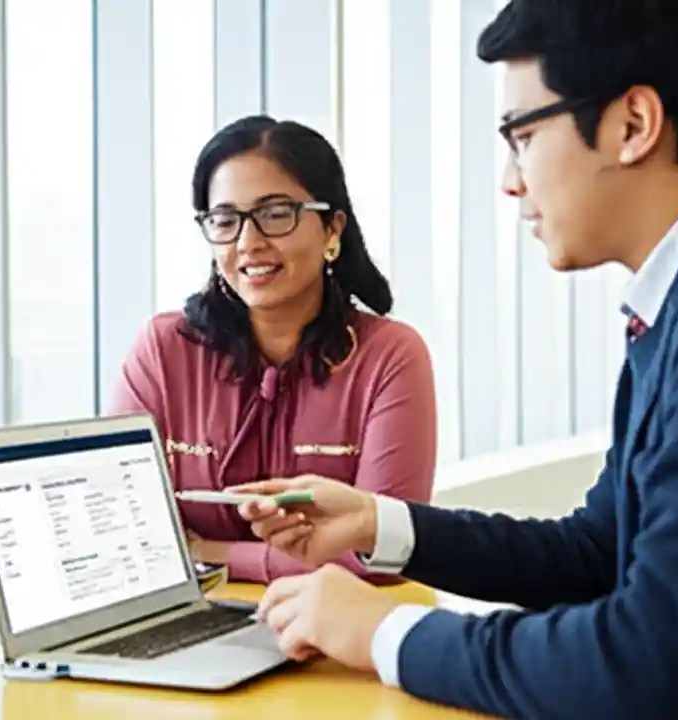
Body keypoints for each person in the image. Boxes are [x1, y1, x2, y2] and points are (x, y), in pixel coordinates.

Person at [234, 1, 678, 717]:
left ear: (633, 124)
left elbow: (655, 666)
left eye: (522, 134)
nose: (510, 179)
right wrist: (378, 522)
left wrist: (383, 632)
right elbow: (598, 551)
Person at [108, 115, 436, 585]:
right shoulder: (163, 350)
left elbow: (385, 555)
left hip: (337, 621)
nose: (248, 243)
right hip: (198, 619)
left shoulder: (390, 356)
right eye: (225, 220)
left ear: (332, 228)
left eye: (276, 214)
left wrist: (214, 554)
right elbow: (126, 534)